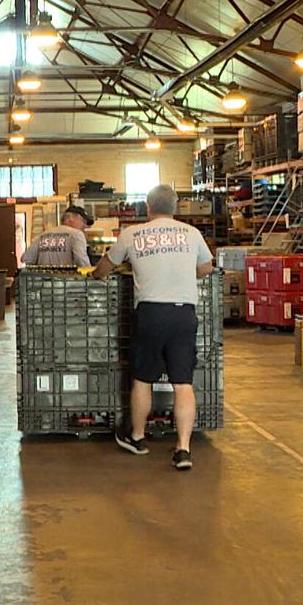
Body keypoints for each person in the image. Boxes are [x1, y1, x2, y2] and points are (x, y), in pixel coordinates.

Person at [92, 184, 213, 471]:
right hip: (184, 313)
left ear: (148, 208)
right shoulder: (192, 233)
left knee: (143, 378)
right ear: (175, 208)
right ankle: (183, 449)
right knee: (182, 383)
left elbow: (105, 266)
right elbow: (206, 267)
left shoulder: (132, 234)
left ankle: (138, 437)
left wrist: (98, 276)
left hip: (150, 312)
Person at [23, 205, 94, 268]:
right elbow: (81, 260)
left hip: (43, 281)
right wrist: (91, 275)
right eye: (83, 221)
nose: (85, 226)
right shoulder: (76, 234)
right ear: (71, 218)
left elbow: (26, 258)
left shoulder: (44, 235)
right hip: (67, 281)